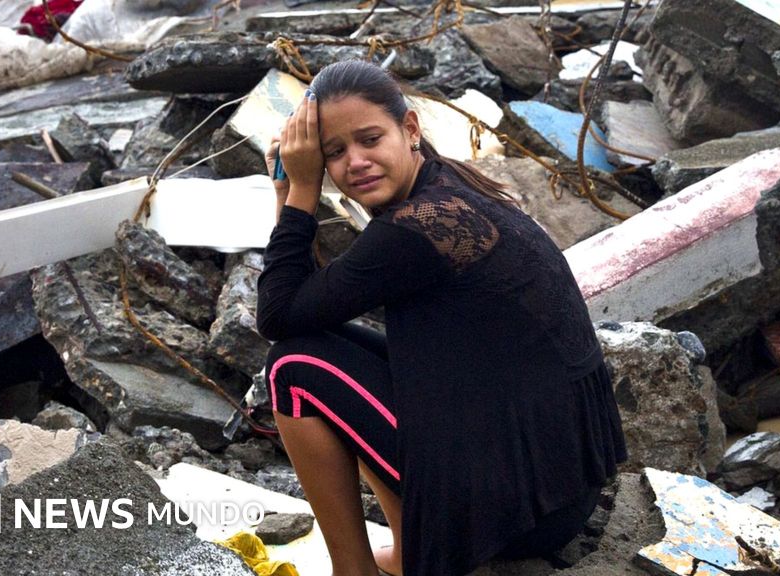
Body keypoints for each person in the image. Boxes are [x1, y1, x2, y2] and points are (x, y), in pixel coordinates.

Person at [256, 60, 628, 576]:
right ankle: (412, 547)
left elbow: (276, 317)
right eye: (334, 152)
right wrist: (286, 192)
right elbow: (304, 309)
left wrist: (300, 192)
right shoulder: (448, 186)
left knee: (292, 370)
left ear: (409, 129)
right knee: (330, 352)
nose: (355, 162)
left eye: (369, 139)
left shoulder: (419, 228)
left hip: (516, 511)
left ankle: (353, 570)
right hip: (555, 491)